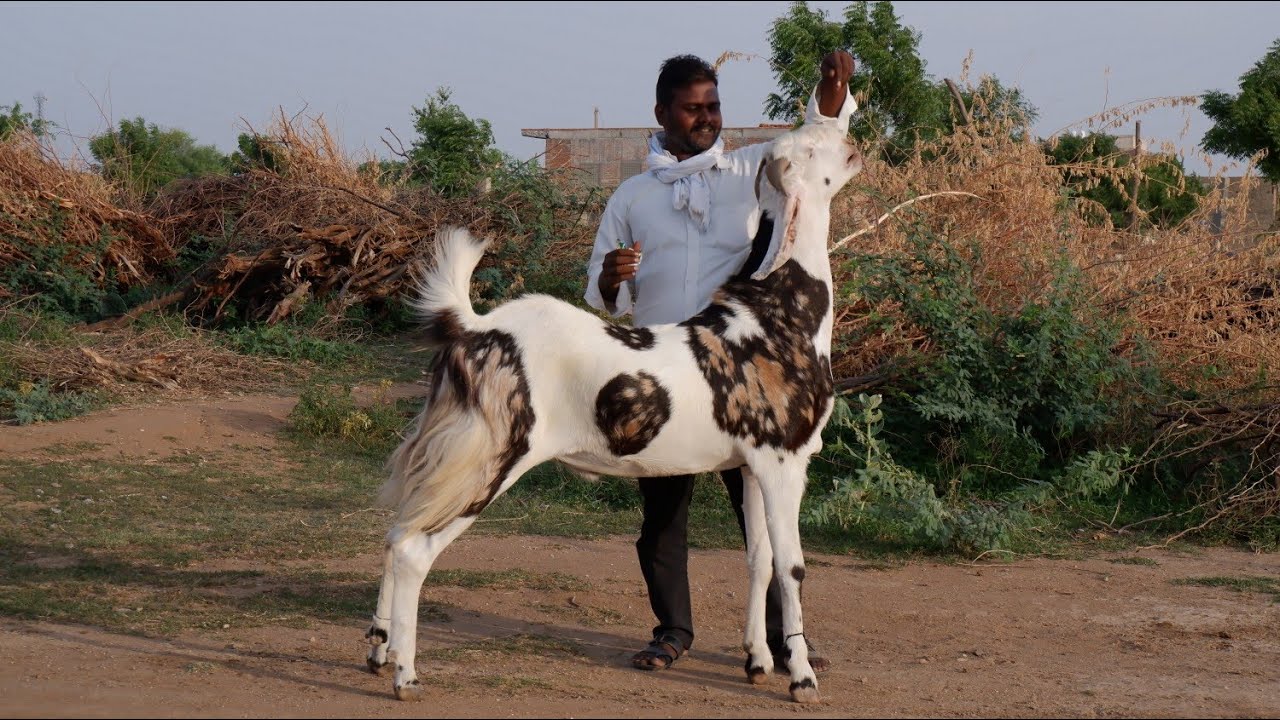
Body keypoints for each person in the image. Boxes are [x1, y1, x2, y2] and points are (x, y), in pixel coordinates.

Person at [583, 50, 856, 673]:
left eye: (713, 106)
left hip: (744, 373)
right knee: (662, 519)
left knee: (764, 509)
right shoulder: (630, 196)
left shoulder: (754, 169)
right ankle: (673, 631)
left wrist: (831, 89)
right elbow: (600, 297)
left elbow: (819, 140)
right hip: (665, 376)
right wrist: (609, 276)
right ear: (662, 113)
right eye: (692, 108)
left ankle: (785, 640)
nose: (706, 118)